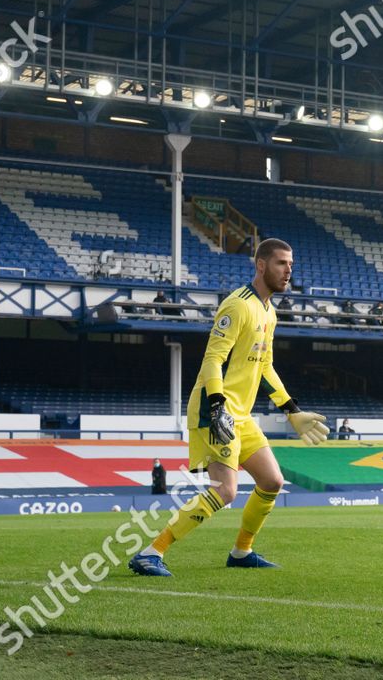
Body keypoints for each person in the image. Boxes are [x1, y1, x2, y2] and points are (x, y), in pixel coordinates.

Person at [129, 238, 328, 576]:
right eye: (281, 263)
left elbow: (265, 367)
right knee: (225, 490)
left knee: (272, 481)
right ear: (261, 265)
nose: (288, 270)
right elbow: (212, 359)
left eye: (291, 264)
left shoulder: (269, 312)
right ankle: (151, 553)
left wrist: (291, 409)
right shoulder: (238, 305)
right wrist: (217, 405)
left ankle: (241, 552)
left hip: (241, 415)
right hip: (214, 408)